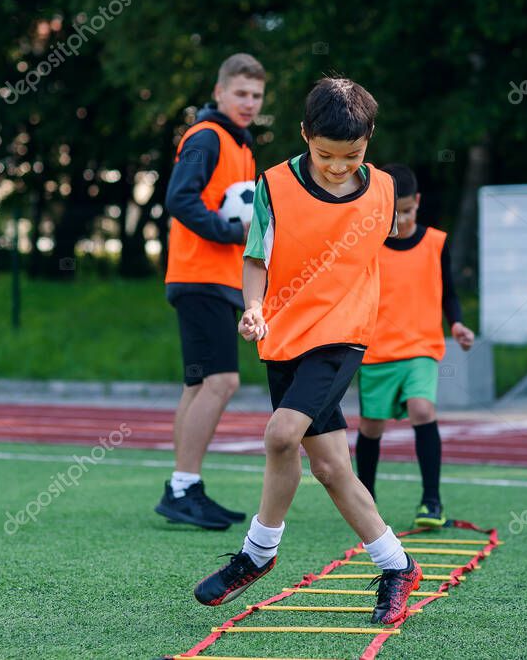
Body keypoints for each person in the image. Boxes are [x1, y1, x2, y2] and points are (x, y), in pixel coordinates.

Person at [193, 77, 423, 625]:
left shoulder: (385, 190)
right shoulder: (274, 184)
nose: (339, 165)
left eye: (353, 154)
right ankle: (398, 566)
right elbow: (256, 256)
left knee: (280, 435)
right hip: (284, 336)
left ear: (369, 140)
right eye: (326, 154)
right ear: (304, 136)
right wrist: (253, 305)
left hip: (343, 335)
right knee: (331, 467)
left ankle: (259, 552)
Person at [155, 53, 265, 531]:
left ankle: (183, 488)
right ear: (219, 93)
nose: (249, 103)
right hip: (200, 278)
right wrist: (228, 231)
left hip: (216, 280)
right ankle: (183, 485)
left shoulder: (241, 144)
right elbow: (179, 198)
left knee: (198, 385)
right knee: (222, 382)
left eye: (257, 96)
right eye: (240, 93)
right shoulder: (206, 137)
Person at [354, 163, 475, 527]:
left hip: (420, 348)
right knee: (371, 426)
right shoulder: (367, 245)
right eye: (394, 213)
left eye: (407, 210)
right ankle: (365, 501)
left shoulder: (436, 242)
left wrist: (456, 324)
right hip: (375, 351)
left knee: (422, 409)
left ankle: (432, 502)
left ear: (418, 202)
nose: (402, 219)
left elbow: (449, 293)